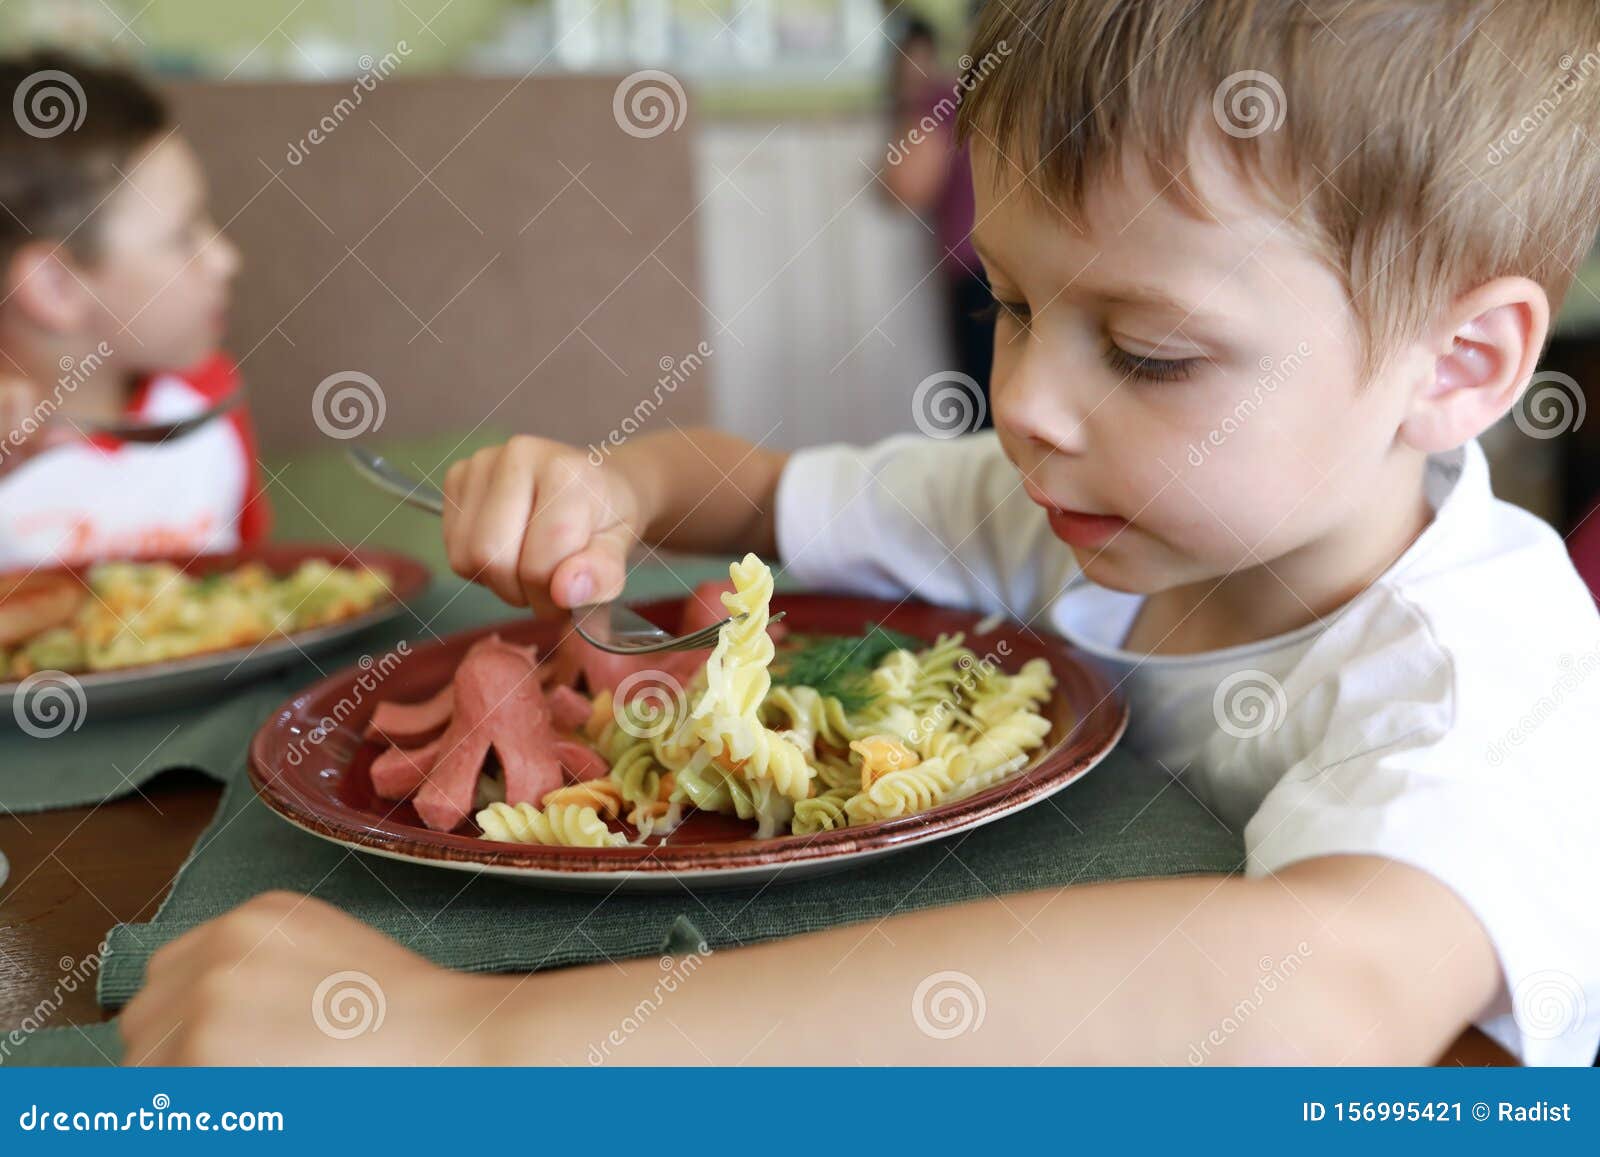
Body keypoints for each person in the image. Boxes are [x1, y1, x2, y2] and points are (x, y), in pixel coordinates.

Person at [122, 0, 1600, 1066]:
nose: (1026, 405)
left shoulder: (1486, 675)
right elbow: (741, 484)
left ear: (1458, 367)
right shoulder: (1048, 512)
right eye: (1012, 305)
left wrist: (472, 1043)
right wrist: (614, 491)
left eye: (1148, 353)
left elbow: (1313, 998)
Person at [0, 50, 266, 568]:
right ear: (57, 285)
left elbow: (254, 586)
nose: (225, 259)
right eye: (182, 236)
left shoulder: (208, 399)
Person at [879, 9, 994, 425]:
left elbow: (907, 185)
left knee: (982, 411)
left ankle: (985, 491)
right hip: (1021, 271)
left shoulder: (944, 98)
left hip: (978, 274)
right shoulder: (1009, 93)